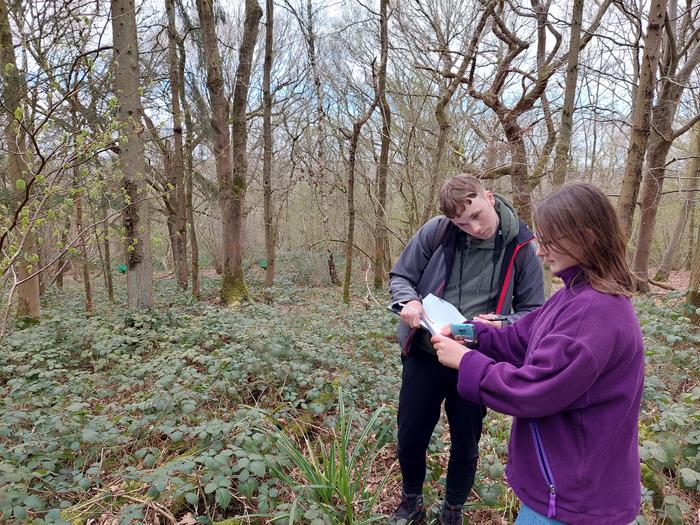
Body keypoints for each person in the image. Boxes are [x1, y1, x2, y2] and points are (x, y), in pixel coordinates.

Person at [432, 182, 644, 525]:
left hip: (576, 499)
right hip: (564, 485)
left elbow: (535, 390)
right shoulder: (574, 293)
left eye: (548, 241)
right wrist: (470, 335)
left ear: (587, 238)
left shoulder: (595, 313)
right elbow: (520, 339)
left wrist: (466, 362)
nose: (541, 252)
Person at [388, 173, 545, 524]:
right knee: (410, 436)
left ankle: (453, 510)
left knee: (465, 443)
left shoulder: (522, 245)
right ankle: (412, 501)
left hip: (475, 359)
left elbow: (534, 312)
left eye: (476, 215)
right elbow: (401, 276)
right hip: (427, 353)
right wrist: (408, 301)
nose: (473, 227)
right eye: (463, 223)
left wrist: (501, 324)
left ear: (488, 196)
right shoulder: (438, 231)